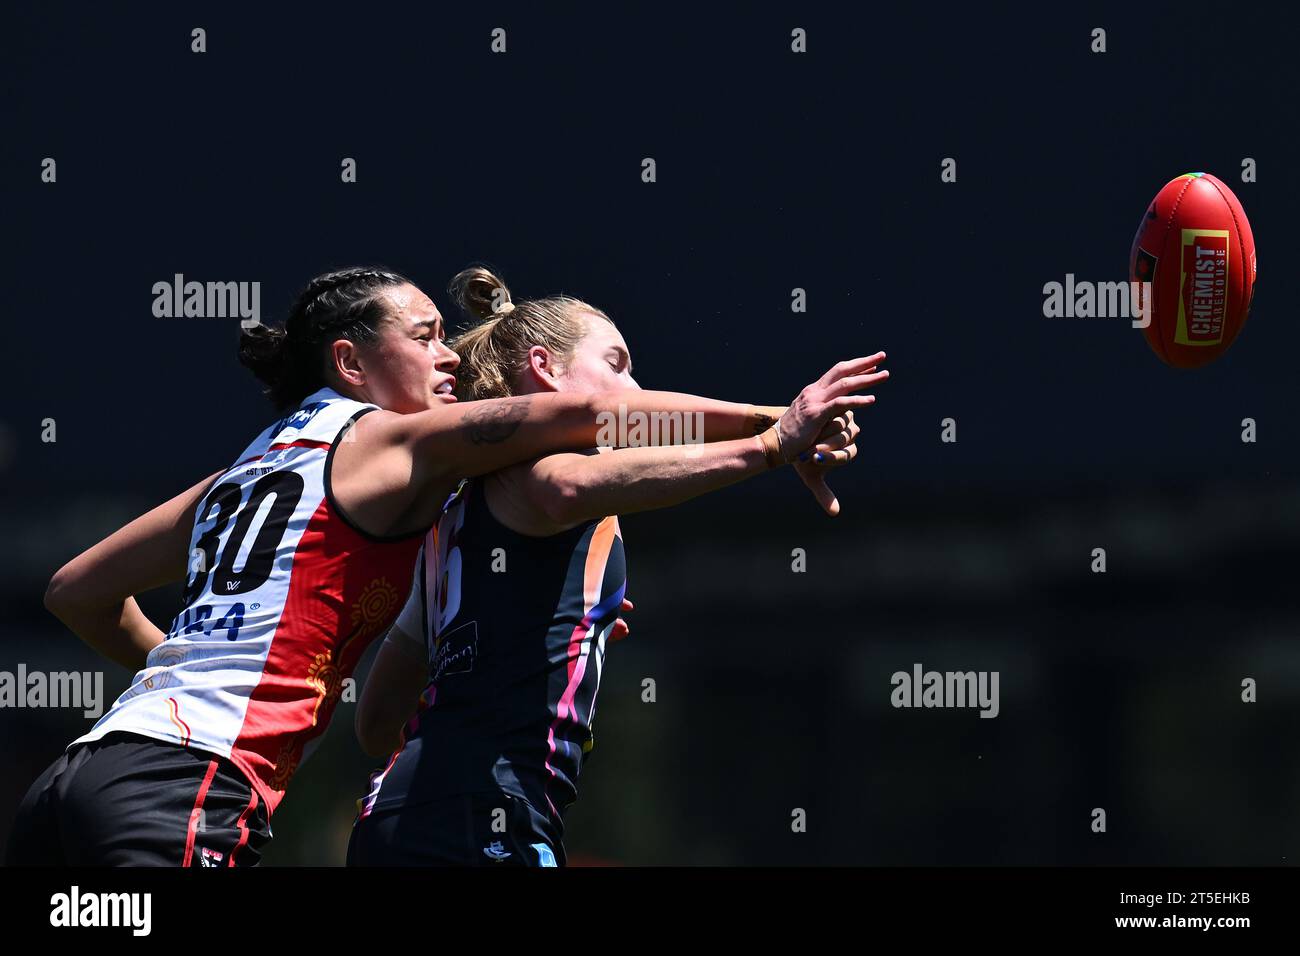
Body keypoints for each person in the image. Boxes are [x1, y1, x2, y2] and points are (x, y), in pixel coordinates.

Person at [6, 266, 852, 866]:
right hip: (186, 783)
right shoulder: (393, 440)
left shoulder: (248, 467)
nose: (448, 356)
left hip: (87, 771)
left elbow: (74, 590)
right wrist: (775, 427)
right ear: (350, 364)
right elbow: (591, 426)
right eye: (425, 337)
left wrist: (186, 670)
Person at [348, 267, 886, 866]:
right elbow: (568, 485)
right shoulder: (542, 471)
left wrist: (531, 632)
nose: (635, 386)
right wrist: (771, 440)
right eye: (617, 362)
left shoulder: (451, 518)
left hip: (397, 817)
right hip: (482, 813)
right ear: (544, 368)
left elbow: (375, 725)